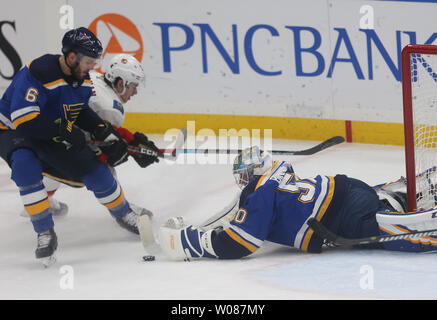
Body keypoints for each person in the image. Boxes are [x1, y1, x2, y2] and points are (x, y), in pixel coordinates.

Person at [0, 27, 148, 266]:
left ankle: (124, 213)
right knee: (25, 167)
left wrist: (101, 129)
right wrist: (66, 133)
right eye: (88, 61)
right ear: (71, 57)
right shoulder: (39, 71)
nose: (92, 66)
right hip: (13, 130)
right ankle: (44, 232)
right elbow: (23, 120)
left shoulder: (81, 78)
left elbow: (76, 111)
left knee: (96, 173)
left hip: (48, 130)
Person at [158, 146, 437, 260]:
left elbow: (239, 243)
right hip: (348, 187)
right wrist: (205, 225)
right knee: (378, 198)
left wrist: (188, 241)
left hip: (343, 217)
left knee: (388, 233)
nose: (242, 182)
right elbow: (236, 215)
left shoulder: (259, 197)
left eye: (243, 176)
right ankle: (403, 191)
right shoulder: (278, 174)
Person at [35, 53, 160, 217]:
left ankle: (40, 199)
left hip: (38, 132)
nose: (135, 92)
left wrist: (131, 140)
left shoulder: (93, 77)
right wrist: (124, 152)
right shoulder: (110, 107)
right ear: (121, 83)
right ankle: (122, 211)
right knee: (102, 169)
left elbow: (102, 127)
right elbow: (98, 144)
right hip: (50, 145)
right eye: (134, 86)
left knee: (64, 156)